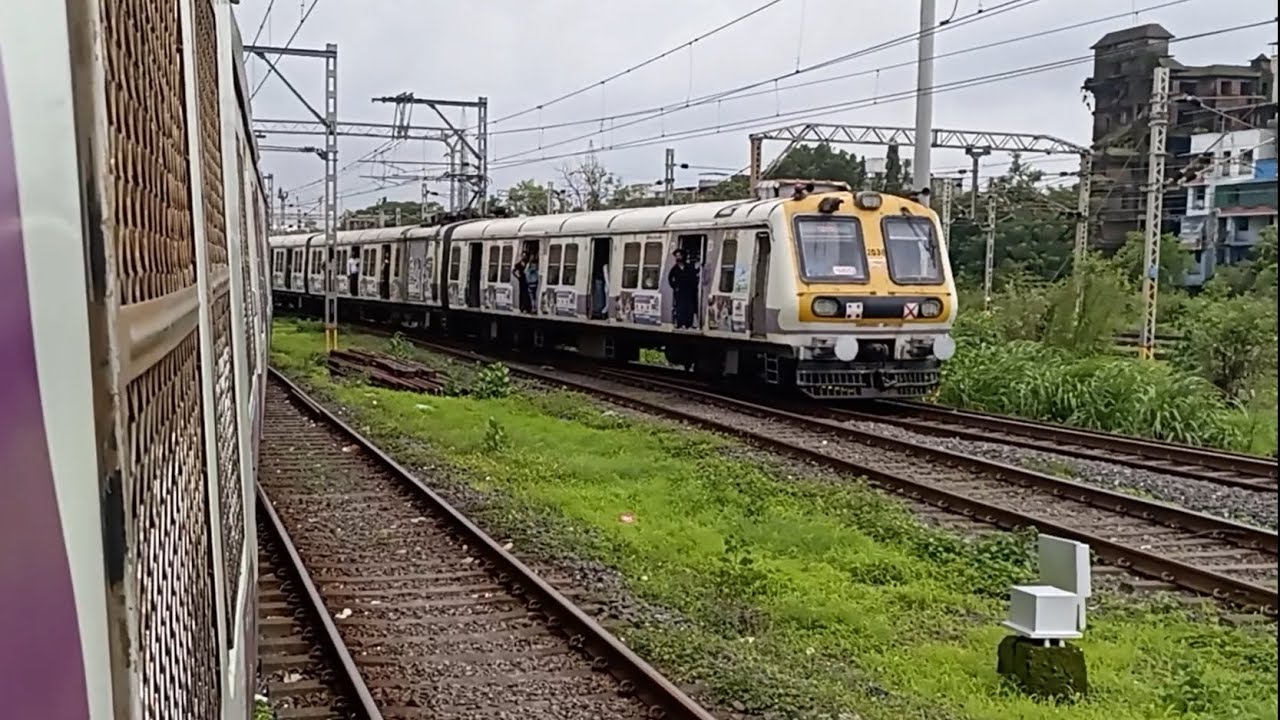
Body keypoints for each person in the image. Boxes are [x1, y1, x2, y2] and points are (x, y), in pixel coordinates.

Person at [668, 249, 699, 329]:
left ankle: (688, 324)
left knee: (689, 308)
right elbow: (670, 279)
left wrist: (693, 287)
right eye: (677, 256)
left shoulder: (689, 267)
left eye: (679, 256)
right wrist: (675, 287)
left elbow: (694, 278)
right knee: (680, 308)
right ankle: (680, 323)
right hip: (679, 292)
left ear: (683, 256)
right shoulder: (674, 269)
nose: (678, 258)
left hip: (689, 291)